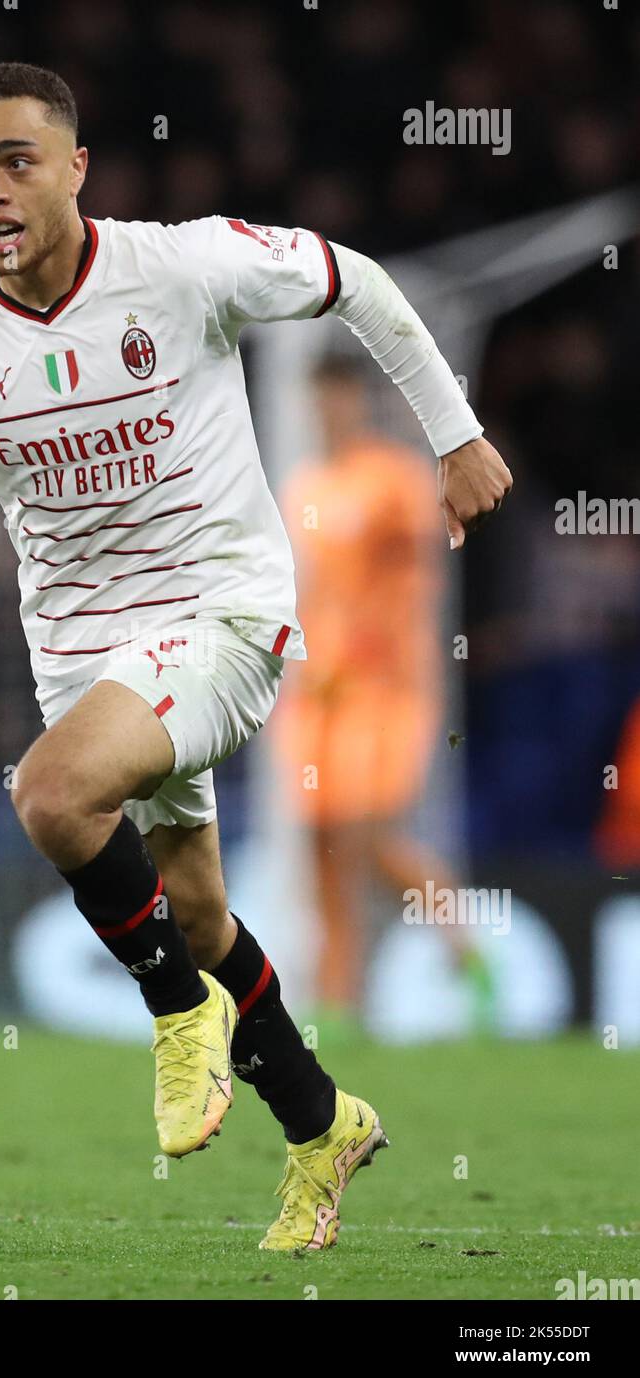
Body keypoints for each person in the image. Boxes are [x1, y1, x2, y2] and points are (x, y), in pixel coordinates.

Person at [0, 62, 511, 1251]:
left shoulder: (181, 264)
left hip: (221, 613)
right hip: (82, 653)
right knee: (195, 911)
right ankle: (320, 1124)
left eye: (15, 160)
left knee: (49, 793)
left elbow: (355, 281)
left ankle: (173, 1018)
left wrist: (451, 434)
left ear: (75, 168)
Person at [276, 355, 495, 1032]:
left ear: (358, 401)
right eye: (319, 400)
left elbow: (418, 580)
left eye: (337, 398)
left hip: (382, 690)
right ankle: (340, 1001)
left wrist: (378, 645)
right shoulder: (303, 485)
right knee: (319, 844)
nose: (327, 412)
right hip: (317, 695)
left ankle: (467, 950)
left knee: (366, 837)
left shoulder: (395, 480)